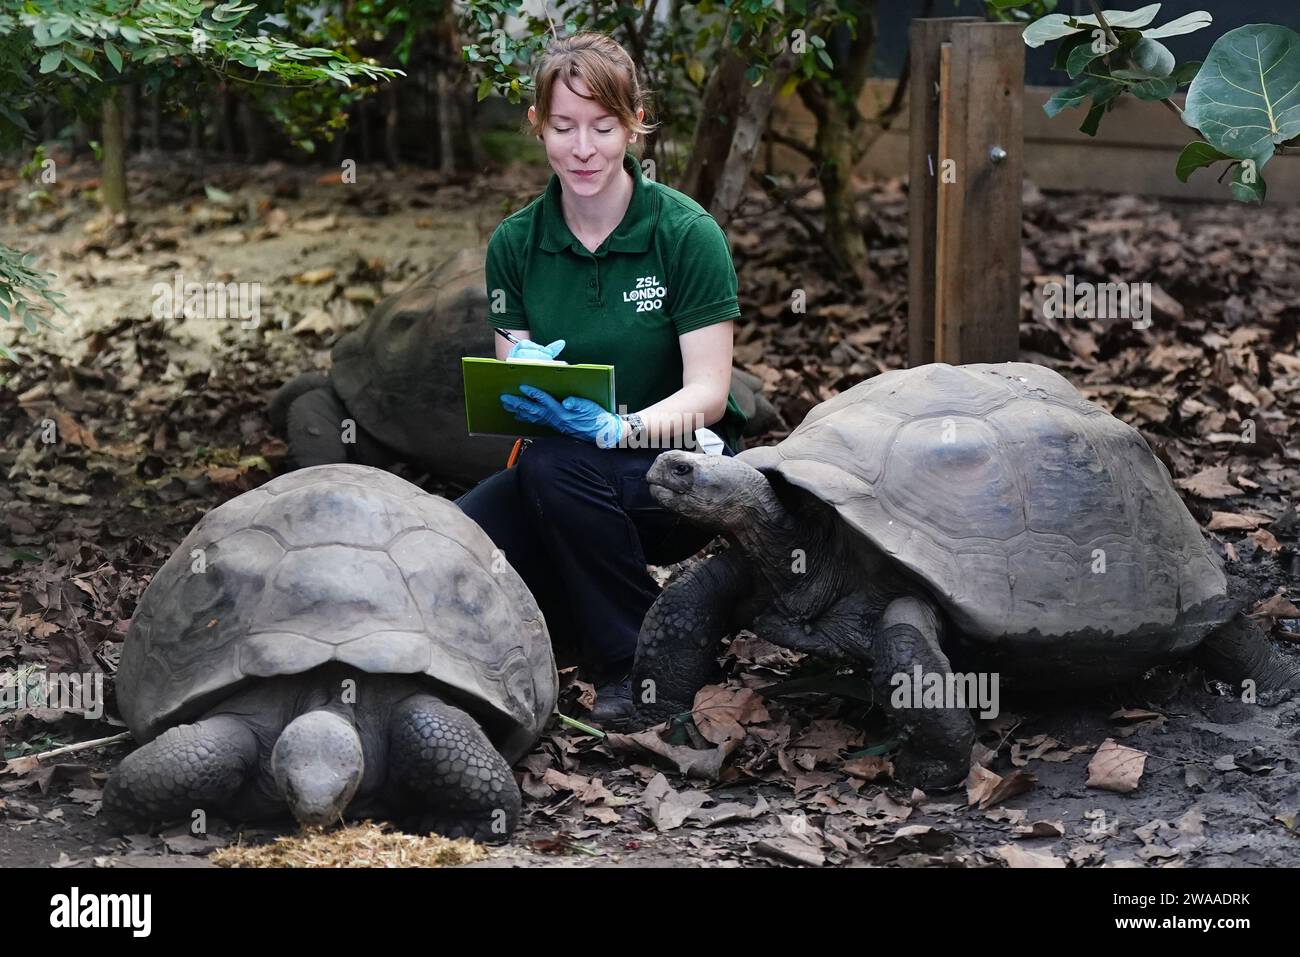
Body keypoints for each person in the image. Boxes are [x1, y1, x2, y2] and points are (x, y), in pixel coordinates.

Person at [455, 31, 747, 724]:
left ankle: (641, 663)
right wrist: (525, 378)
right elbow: (512, 387)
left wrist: (624, 427)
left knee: (555, 472)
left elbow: (709, 394)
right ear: (537, 126)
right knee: (460, 535)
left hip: (679, 467)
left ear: (634, 121)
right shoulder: (515, 244)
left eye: (602, 126)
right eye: (563, 127)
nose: (582, 148)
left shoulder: (686, 233)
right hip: (560, 466)